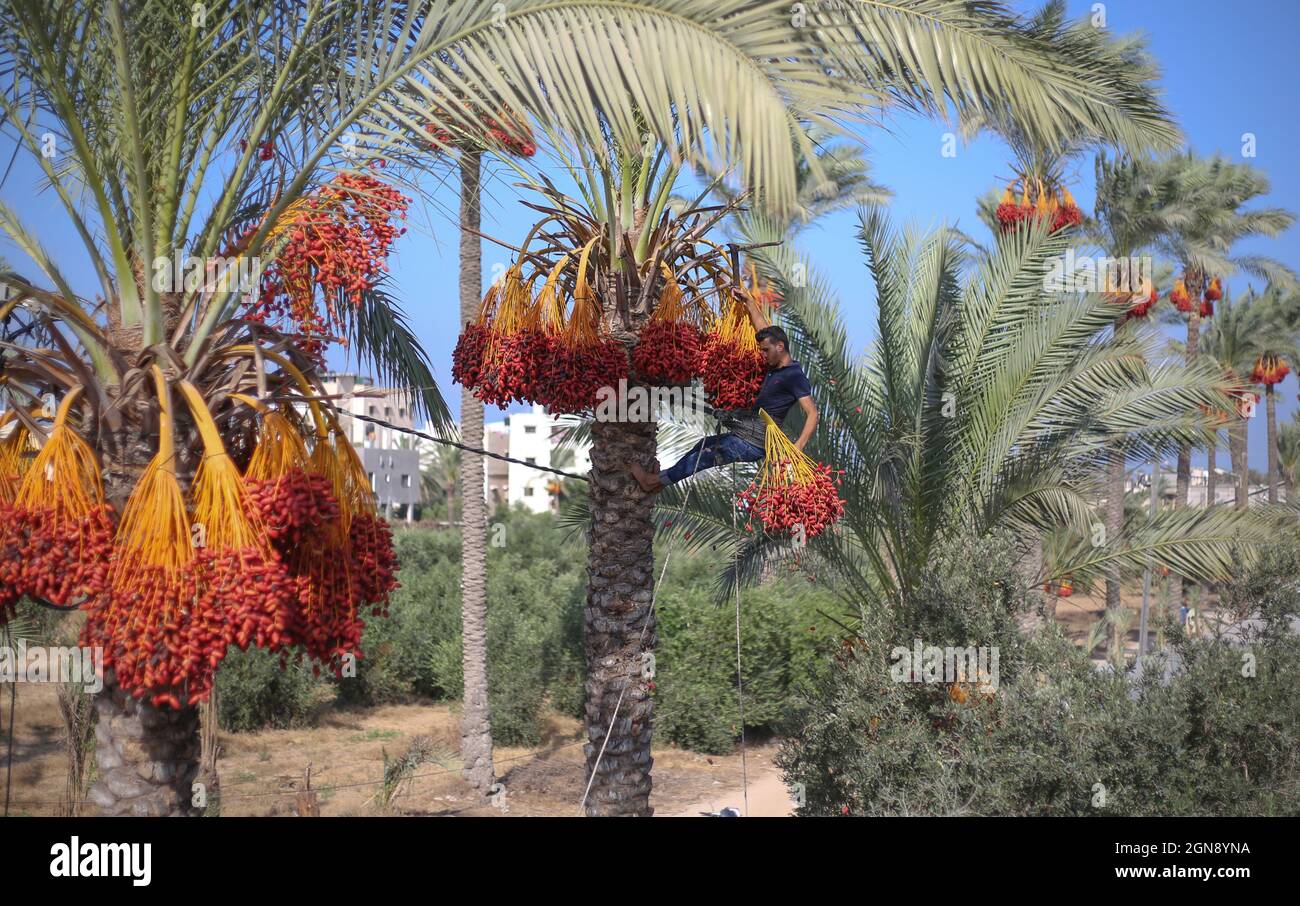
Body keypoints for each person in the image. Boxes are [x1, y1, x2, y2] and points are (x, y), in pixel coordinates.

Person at [628, 290, 818, 494]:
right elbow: (763, 329)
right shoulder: (774, 365)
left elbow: (813, 414)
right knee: (703, 445)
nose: (761, 354)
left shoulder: (794, 376)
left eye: (765, 351)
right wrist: (749, 302)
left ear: (780, 347)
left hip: (753, 443)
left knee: (704, 457)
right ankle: (659, 483)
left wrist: (798, 446)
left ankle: (651, 481)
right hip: (744, 434)